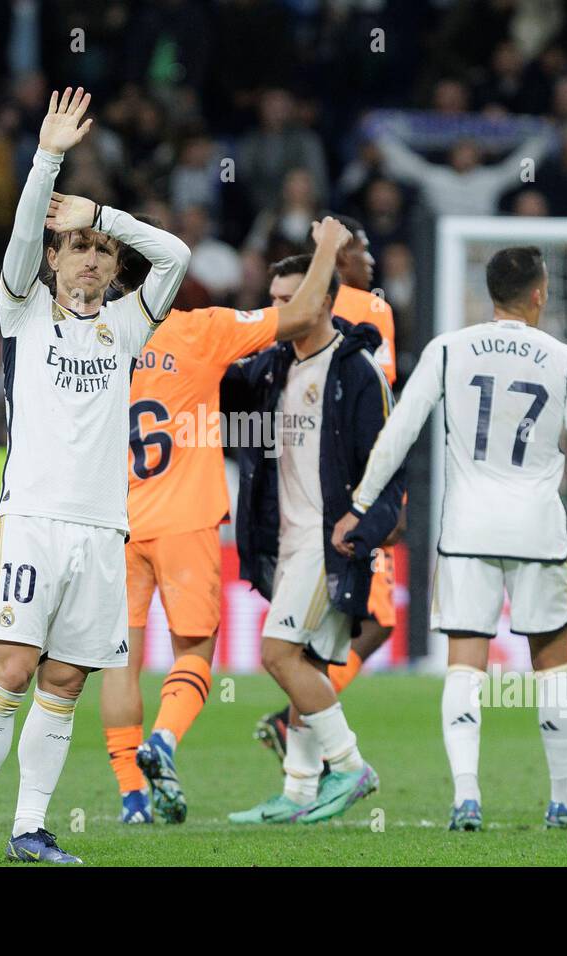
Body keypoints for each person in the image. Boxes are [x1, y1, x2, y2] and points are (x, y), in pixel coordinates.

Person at [0, 88, 189, 866]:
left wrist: (106, 214)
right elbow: (21, 236)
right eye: (77, 247)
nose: (89, 258)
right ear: (52, 259)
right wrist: (48, 159)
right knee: (12, 668)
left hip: (103, 528)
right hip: (35, 520)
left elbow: (177, 256)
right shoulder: (21, 312)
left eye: (101, 251)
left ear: (116, 268)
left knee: (67, 682)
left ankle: (29, 828)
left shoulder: (126, 325)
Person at [332, 246, 567, 830]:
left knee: (465, 666)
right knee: (552, 665)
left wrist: (361, 504)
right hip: (538, 531)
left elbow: (400, 431)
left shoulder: (449, 349)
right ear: (539, 294)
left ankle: (466, 797)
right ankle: (562, 795)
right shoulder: (565, 359)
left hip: (467, 529)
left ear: (491, 292)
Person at [101, 216, 353, 825]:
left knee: (120, 661)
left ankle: (132, 795)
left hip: (114, 522)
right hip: (184, 519)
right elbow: (298, 317)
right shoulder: (200, 330)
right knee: (194, 650)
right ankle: (162, 741)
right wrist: (324, 249)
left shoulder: (97, 339)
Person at [226, 253, 404, 825]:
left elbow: (386, 464)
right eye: (273, 300)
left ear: (323, 302)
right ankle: (299, 789)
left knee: (277, 655)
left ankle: (350, 766)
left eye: (288, 299)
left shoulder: (356, 373)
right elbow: (229, 407)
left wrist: (365, 526)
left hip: (328, 545)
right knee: (312, 662)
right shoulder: (273, 367)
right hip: (284, 540)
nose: (277, 311)